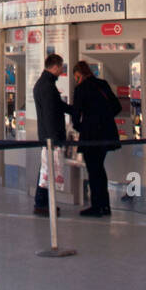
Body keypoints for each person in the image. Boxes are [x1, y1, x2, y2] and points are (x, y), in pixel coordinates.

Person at [70, 60, 121, 217]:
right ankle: (105, 206)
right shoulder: (102, 84)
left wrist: (83, 127)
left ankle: (97, 206)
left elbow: (75, 116)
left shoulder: (80, 89)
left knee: (93, 170)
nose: (76, 80)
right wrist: (105, 119)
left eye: (76, 77)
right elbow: (117, 106)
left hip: (91, 136)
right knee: (99, 168)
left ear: (79, 75)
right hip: (107, 133)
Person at [33, 53, 69, 215]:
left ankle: (44, 202)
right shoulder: (47, 86)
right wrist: (53, 138)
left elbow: (56, 106)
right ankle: (42, 203)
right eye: (61, 67)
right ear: (55, 67)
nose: (62, 70)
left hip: (47, 135)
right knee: (47, 171)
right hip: (50, 136)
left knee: (46, 169)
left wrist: (73, 110)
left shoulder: (44, 83)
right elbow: (49, 113)